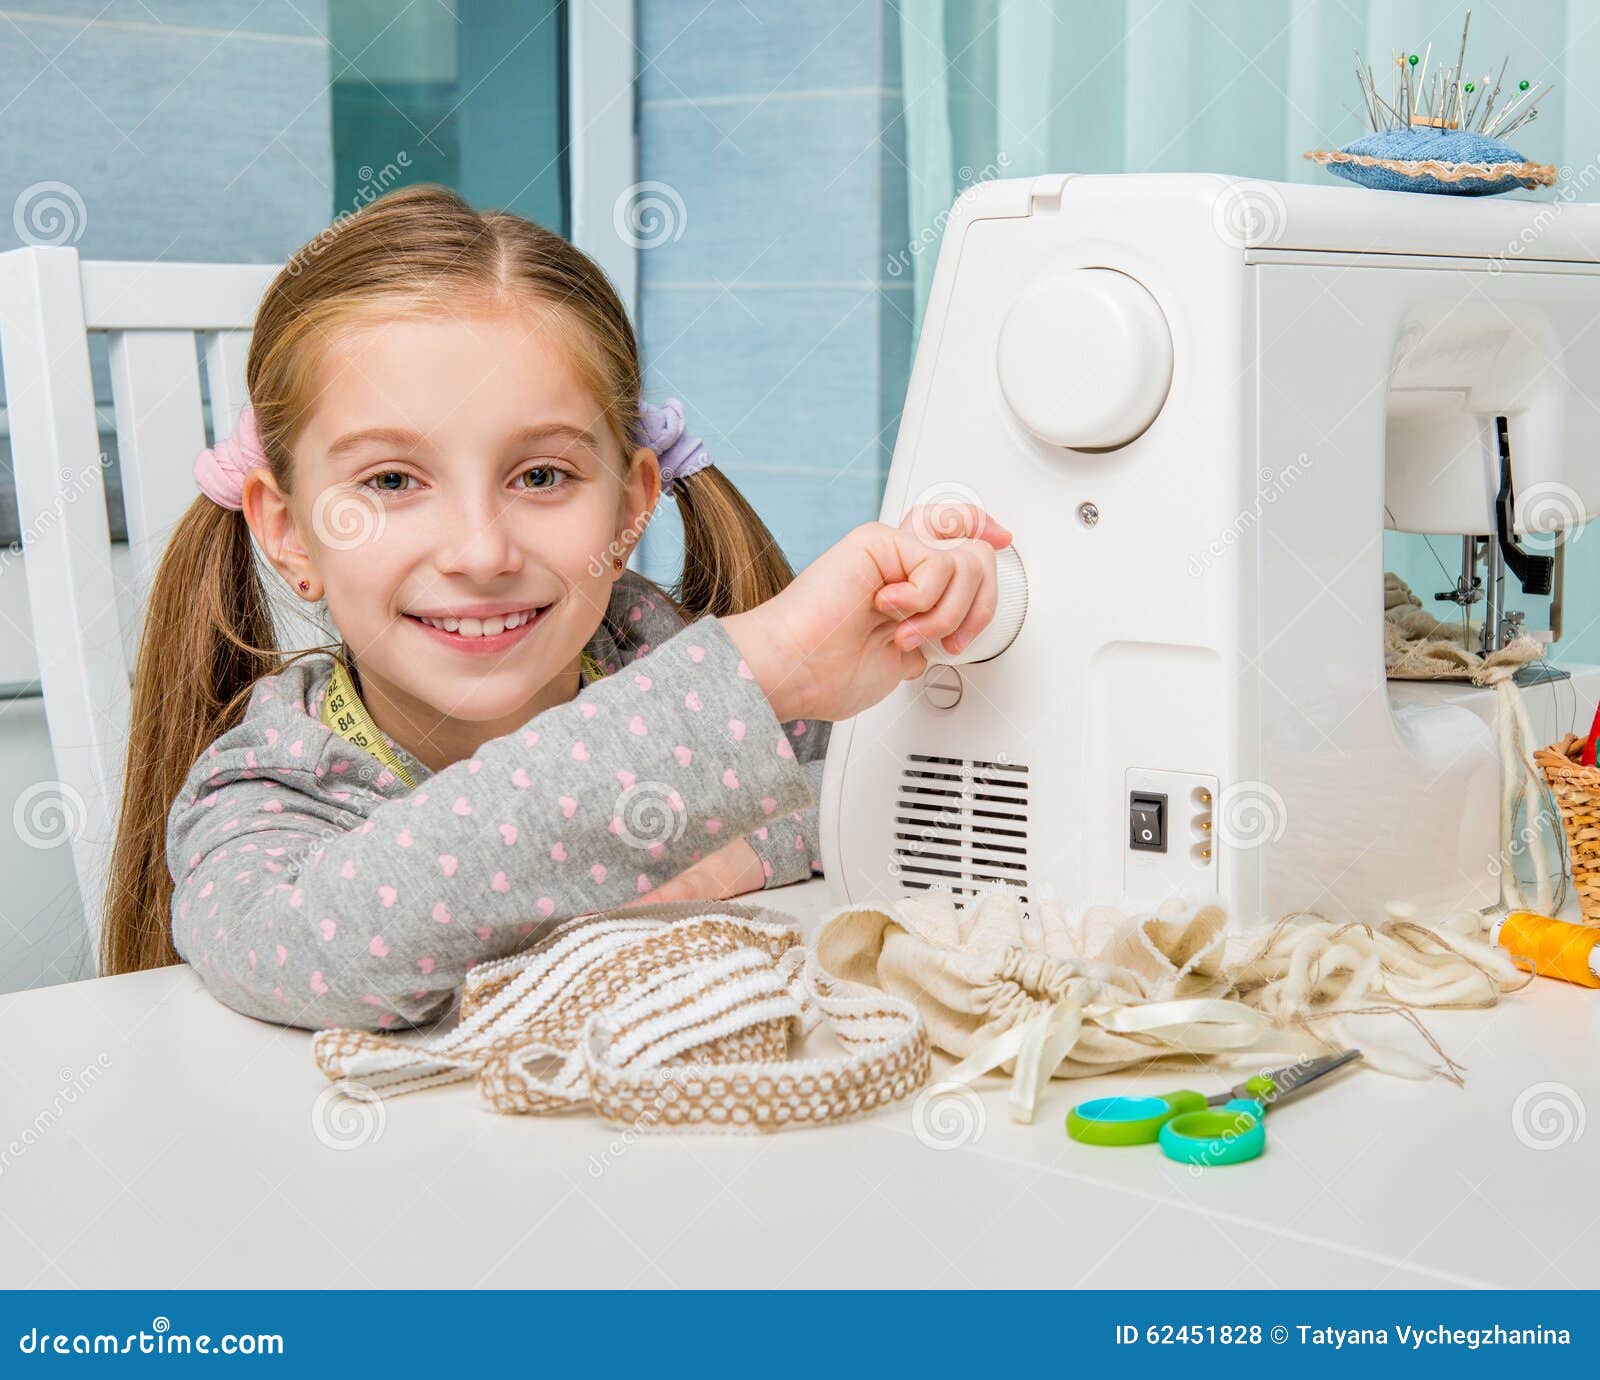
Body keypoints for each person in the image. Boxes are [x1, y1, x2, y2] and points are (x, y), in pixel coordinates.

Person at [104, 184, 1009, 1032]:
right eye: (390, 480)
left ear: (629, 503)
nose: (482, 551)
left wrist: (964, 635)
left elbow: (876, 807)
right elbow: (322, 947)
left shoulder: (661, 658)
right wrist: (758, 670)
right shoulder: (272, 785)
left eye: (542, 475)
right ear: (290, 531)